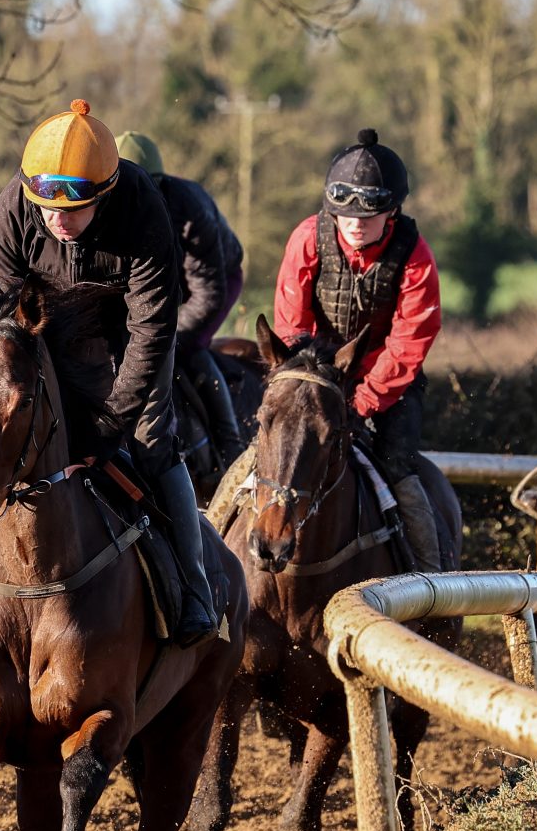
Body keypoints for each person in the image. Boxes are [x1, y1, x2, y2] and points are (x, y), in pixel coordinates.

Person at [0, 98, 220, 646]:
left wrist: (107, 427)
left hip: (130, 328)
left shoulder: (145, 214)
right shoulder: (14, 207)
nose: (57, 219)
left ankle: (193, 588)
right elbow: (8, 316)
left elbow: (151, 333)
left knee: (150, 439)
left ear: (104, 192)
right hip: (48, 326)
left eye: (73, 209)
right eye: (46, 207)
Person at [271, 128, 443, 573]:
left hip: (386, 387)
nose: (354, 222)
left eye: (367, 216)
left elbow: (412, 338)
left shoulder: (415, 254)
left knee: (400, 473)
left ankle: (432, 583)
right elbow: (292, 325)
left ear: (393, 212)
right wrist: (314, 386)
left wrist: (363, 401)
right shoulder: (309, 236)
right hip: (313, 378)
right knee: (262, 454)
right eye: (343, 212)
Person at [115, 131, 248, 461]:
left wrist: (164, 336)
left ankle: (229, 442)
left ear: (160, 182)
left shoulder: (190, 208)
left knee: (184, 346)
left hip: (213, 281)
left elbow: (207, 292)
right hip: (157, 287)